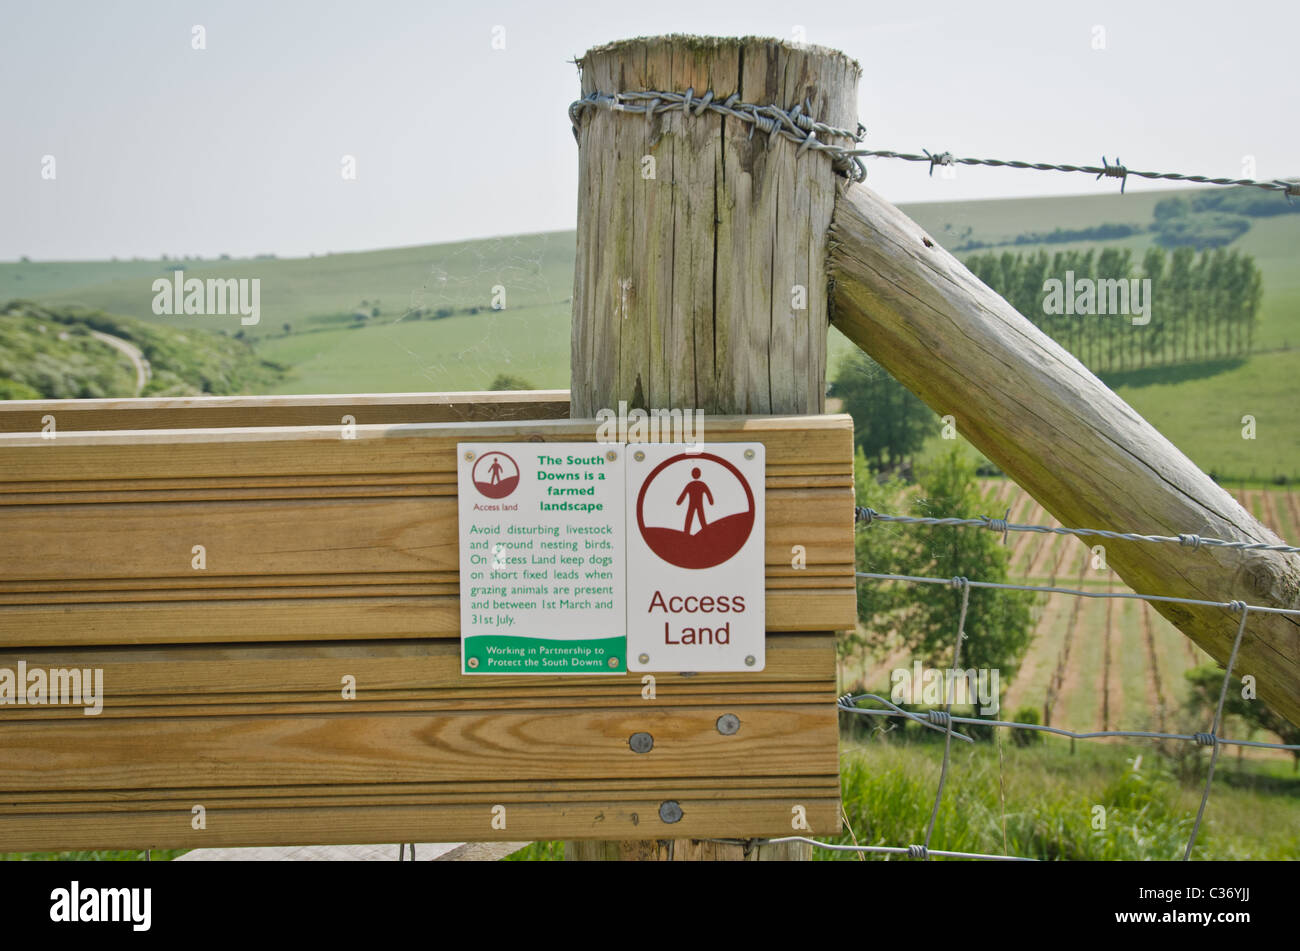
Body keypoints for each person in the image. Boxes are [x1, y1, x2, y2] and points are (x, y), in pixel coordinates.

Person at [676, 467, 713, 534]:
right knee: (701, 519)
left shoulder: (690, 485)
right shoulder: (701, 484)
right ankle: (704, 533)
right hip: (697, 505)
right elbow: (708, 494)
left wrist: (679, 502)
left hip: (693, 505)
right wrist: (711, 501)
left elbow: (683, 494)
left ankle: (687, 533)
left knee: (691, 519)